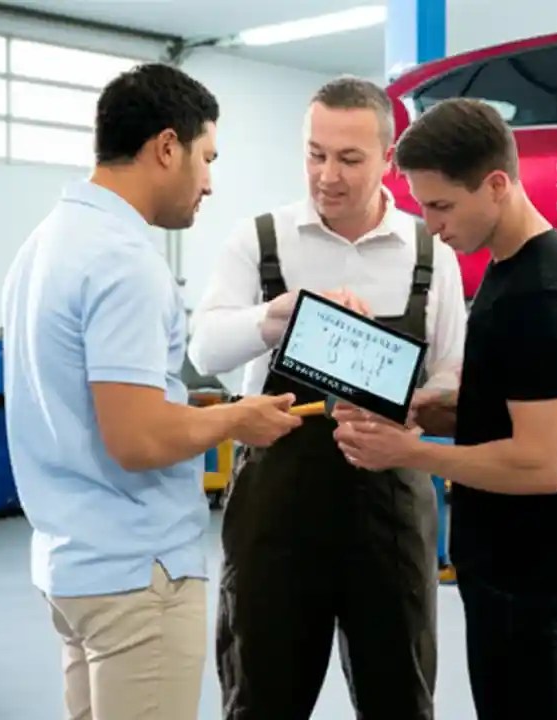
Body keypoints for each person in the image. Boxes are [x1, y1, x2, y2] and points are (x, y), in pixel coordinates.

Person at [0, 63, 303, 720]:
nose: (209, 183)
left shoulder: (47, 244)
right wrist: (235, 421)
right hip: (138, 575)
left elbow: (89, 403)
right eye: (206, 158)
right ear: (168, 146)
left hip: (73, 566)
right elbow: (136, 439)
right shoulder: (126, 260)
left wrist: (197, 410)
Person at [186, 76, 467, 720]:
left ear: (387, 161)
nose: (327, 176)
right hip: (276, 512)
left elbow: (452, 376)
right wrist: (273, 318)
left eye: (348, 159)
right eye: (315, 154)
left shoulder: (430, 254)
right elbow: (202, 351)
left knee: (400, 696)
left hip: (392, 513)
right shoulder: (260, 241)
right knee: (262, 697)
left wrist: (404, 400)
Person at [332, 97, 557, 720]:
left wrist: (409, 452)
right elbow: (509, 410)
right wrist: (430, 409)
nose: (430, 225)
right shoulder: (511, 271)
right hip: (503, 561)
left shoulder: (541, 298)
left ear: (497, 184)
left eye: (441, 206)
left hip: (528, 570)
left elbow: (540, 464)